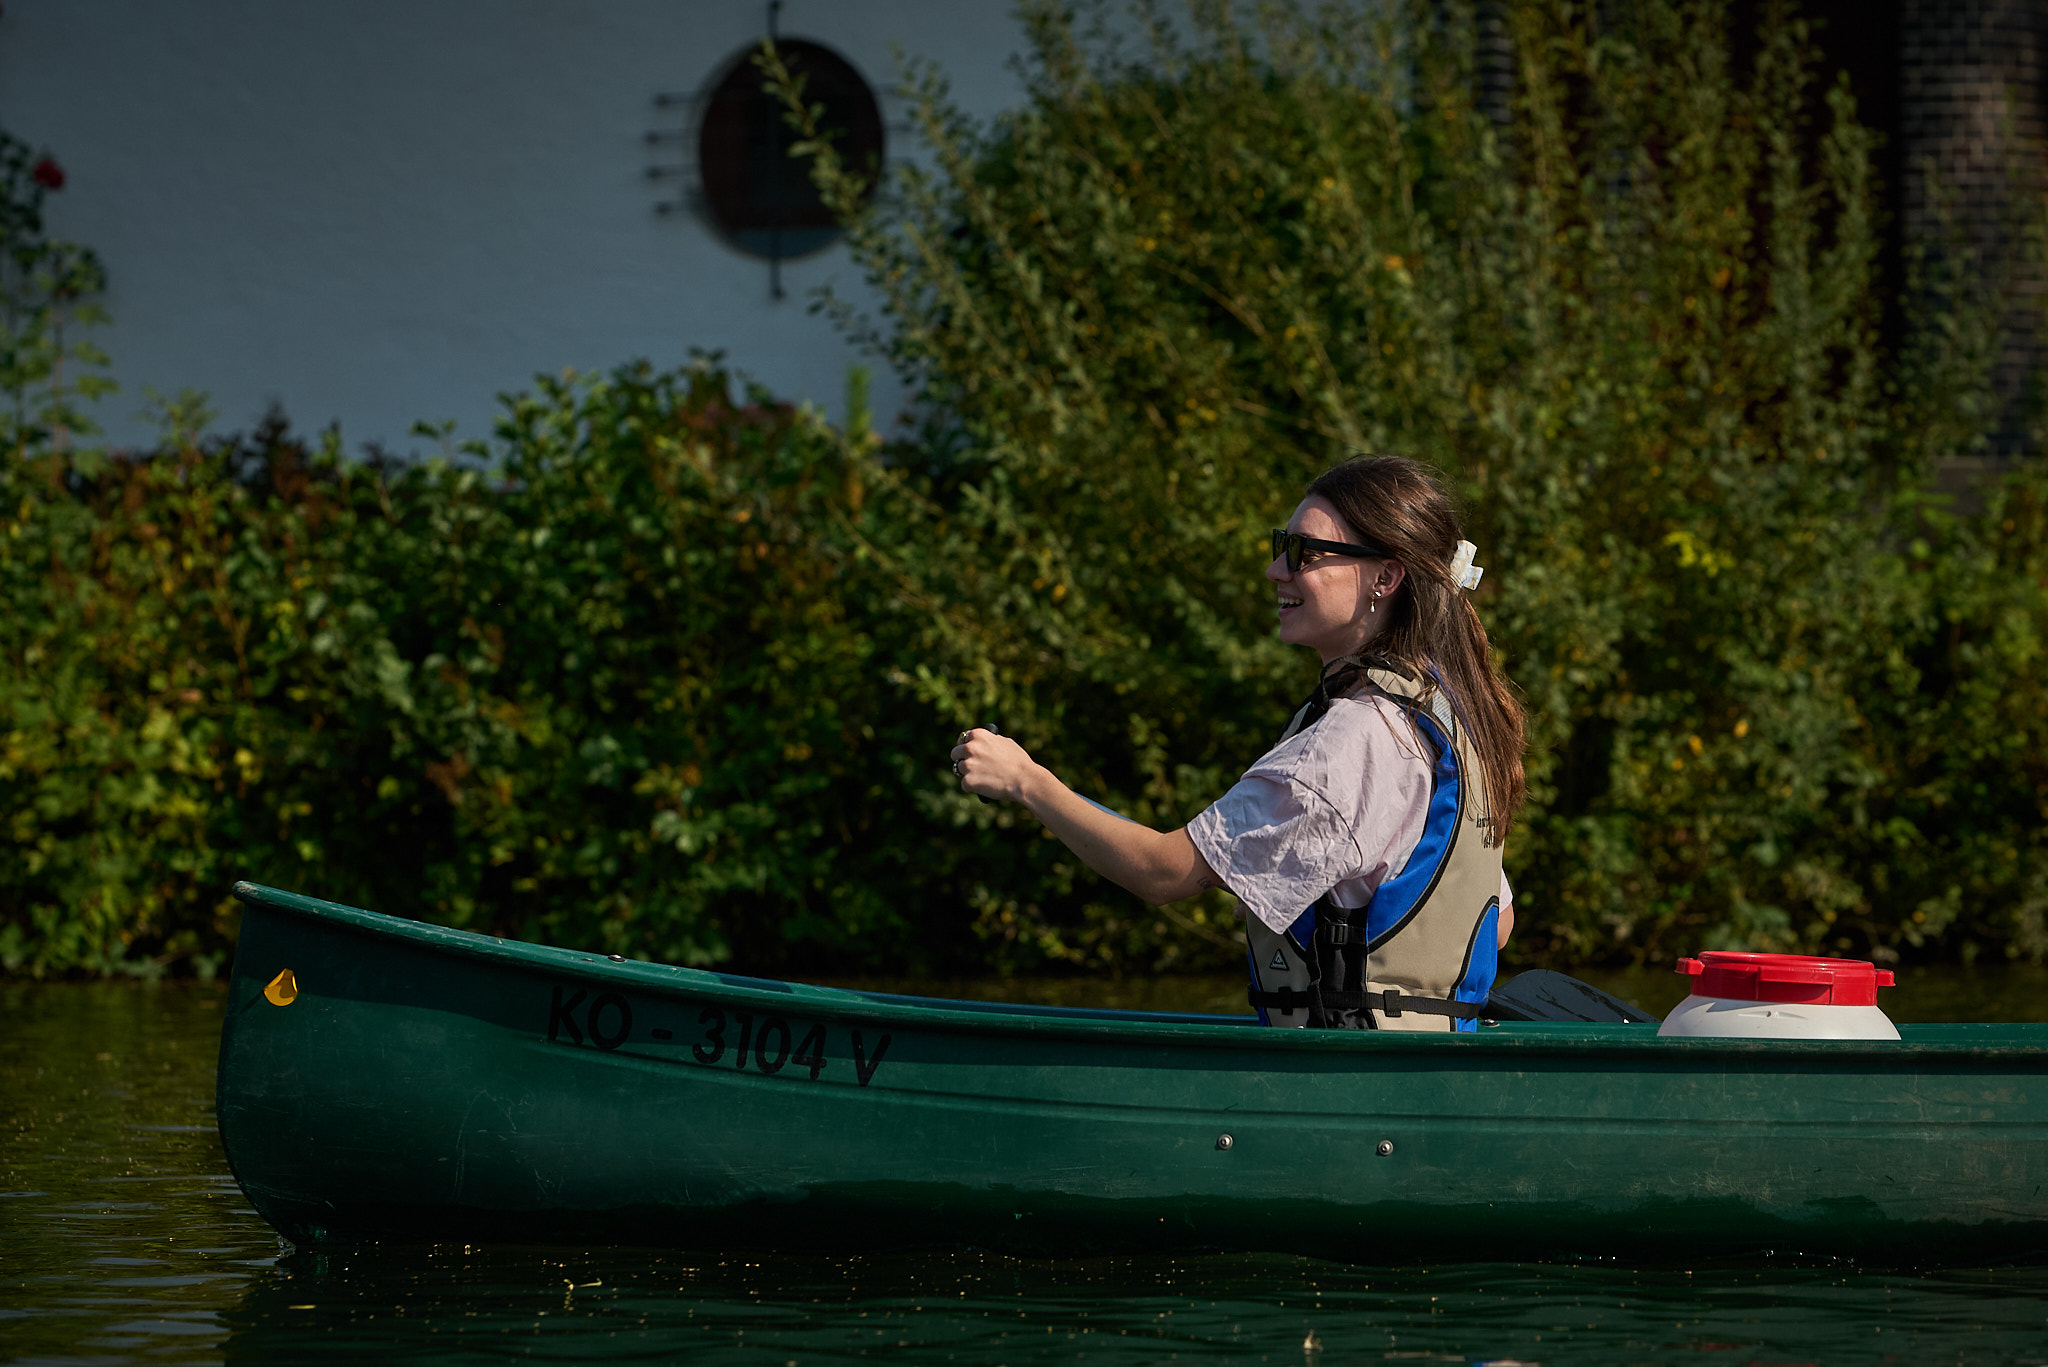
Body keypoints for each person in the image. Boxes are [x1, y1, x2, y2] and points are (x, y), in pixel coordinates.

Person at [949, 454, 1527, 1031]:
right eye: (1282, 546)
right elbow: (1492, 921)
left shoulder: (1357, 738)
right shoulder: (1451, 719)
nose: (1276, 570)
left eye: (1304, 552)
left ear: (1384, 577)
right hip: (1428, 1076)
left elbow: (1163, 872)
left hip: (1347, 1088)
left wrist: (1026, 782)